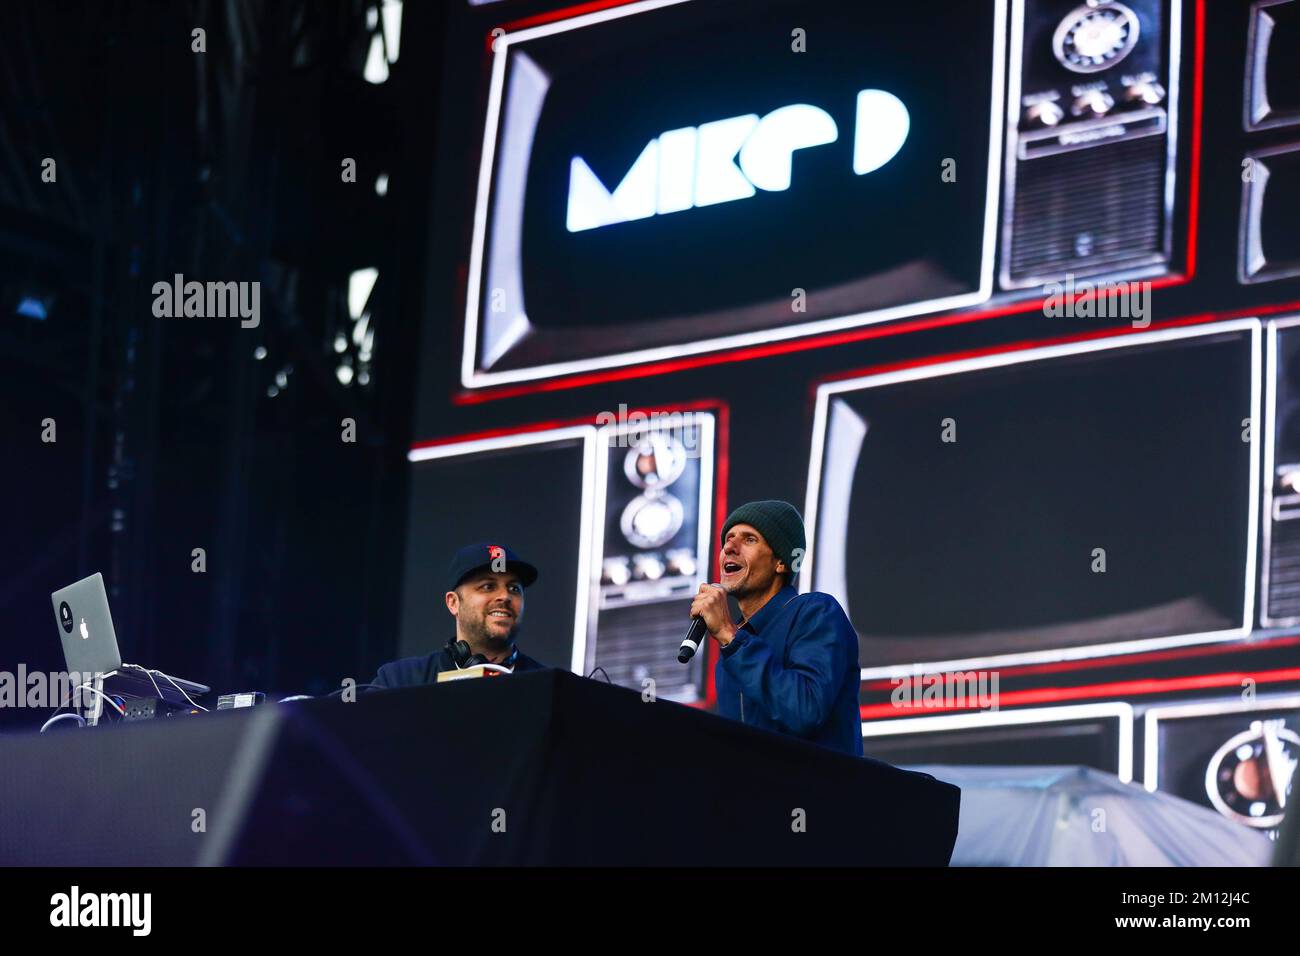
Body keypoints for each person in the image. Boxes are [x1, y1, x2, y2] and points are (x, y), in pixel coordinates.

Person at [689, 500, 863, 756]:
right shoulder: (734, 645)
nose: (729, 548)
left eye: (749, 540)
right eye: (728, 538)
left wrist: (730, 636)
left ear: (781, 562)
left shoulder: (815, 612)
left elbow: (805, 709)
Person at [370, 542, 548, 688]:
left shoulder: (552, 687)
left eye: (514, 588)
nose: (505, 596)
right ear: (453, 603)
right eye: (488, 586)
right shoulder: (399, 681)